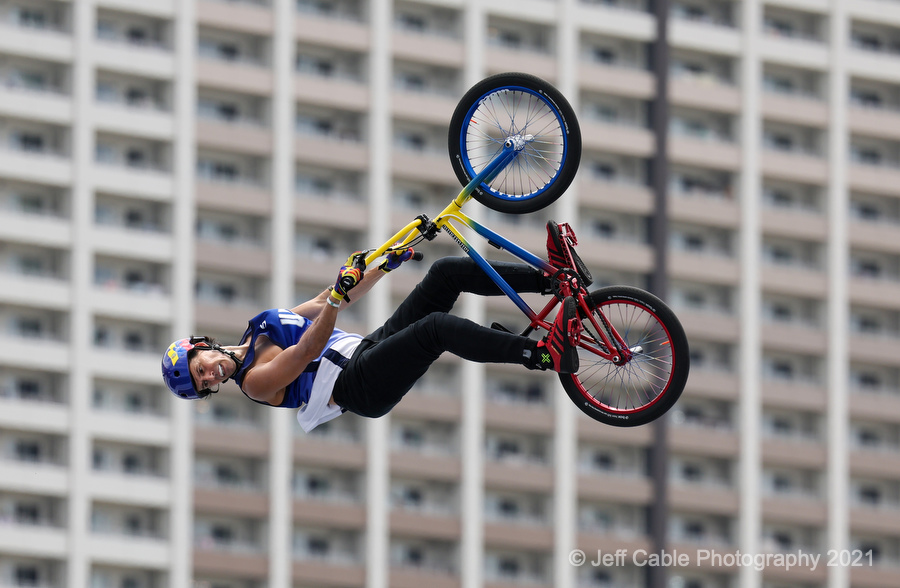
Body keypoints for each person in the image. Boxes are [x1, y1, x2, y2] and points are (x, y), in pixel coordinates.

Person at [161, 231, 580, 433]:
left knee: (444, 273)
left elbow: (329, 295)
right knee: (435, 329)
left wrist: (383, 266)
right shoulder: (253, 382)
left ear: (201, 347)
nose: (210, 377)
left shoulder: (259, 330)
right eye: (204, 385)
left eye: (199, 369)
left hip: (366, 351)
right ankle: (542, 354)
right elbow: (309, 348)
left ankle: (556, 279)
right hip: (358, 387)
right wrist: (337, 300)